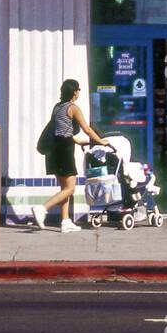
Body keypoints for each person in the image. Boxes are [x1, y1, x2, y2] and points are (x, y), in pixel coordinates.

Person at [31, 79, 108, 232]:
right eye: (78, 89)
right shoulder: (73, 108)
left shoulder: (57, 107)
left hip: (54, 149)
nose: (79, 92)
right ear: (74, 92)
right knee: (70, 189)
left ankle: (65, 221)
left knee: (64, 187)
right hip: (65, 150)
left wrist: (77, 141)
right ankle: (42, 208)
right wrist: (101, 142)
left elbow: (60, 130)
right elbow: (87, 129)